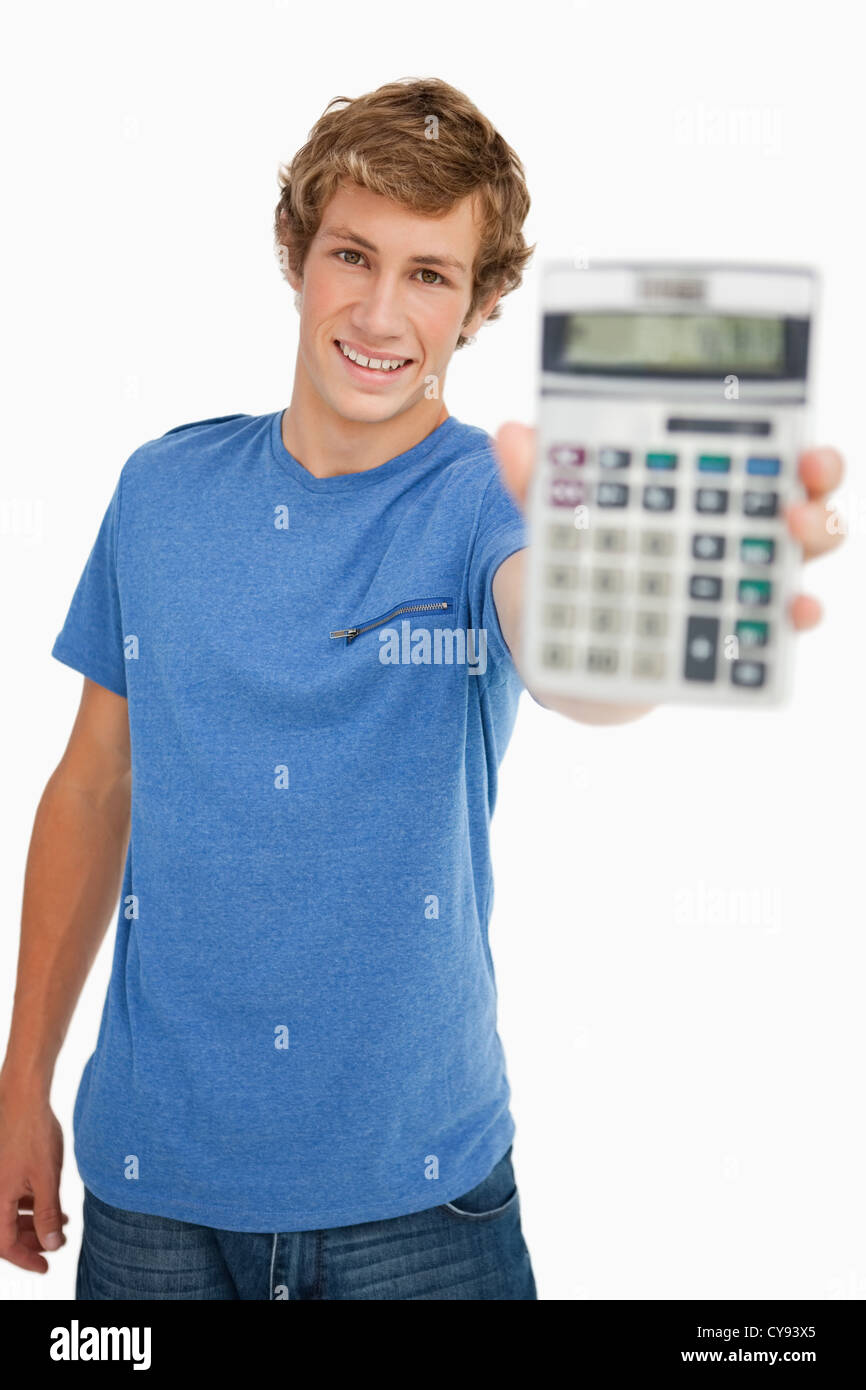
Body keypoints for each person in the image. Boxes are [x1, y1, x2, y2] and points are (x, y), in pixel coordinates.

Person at [0, 77, 845, 1301]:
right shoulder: (159, 490)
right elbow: (91, 784)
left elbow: (572, 665)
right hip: (150, 1198)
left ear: (480, 302)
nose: (380, 311)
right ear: (296, 255)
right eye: (353, 254)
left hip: (418, 1204)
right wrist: (22, 1079)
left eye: (430, 275)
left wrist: (654, 618)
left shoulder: (492, 498)